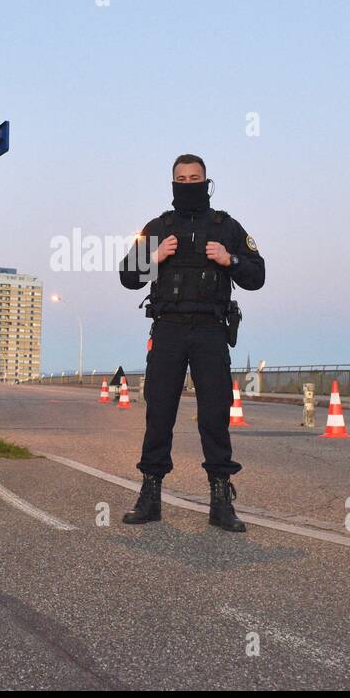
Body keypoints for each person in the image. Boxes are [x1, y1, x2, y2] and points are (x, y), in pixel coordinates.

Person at [119, 154, 265, 531]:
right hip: (167, 330)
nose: (188, 183)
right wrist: (153, 257)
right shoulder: (158, 227)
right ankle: (150, 495)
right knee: (159, 413)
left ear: (206, 181)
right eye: (181, 179)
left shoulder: (226, 226)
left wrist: (230, 259)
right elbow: (127, 277)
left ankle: (221, 500)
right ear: (172, 184)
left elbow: (257, 274)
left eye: (194, 177)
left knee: (215, 414)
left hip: (211, 332)